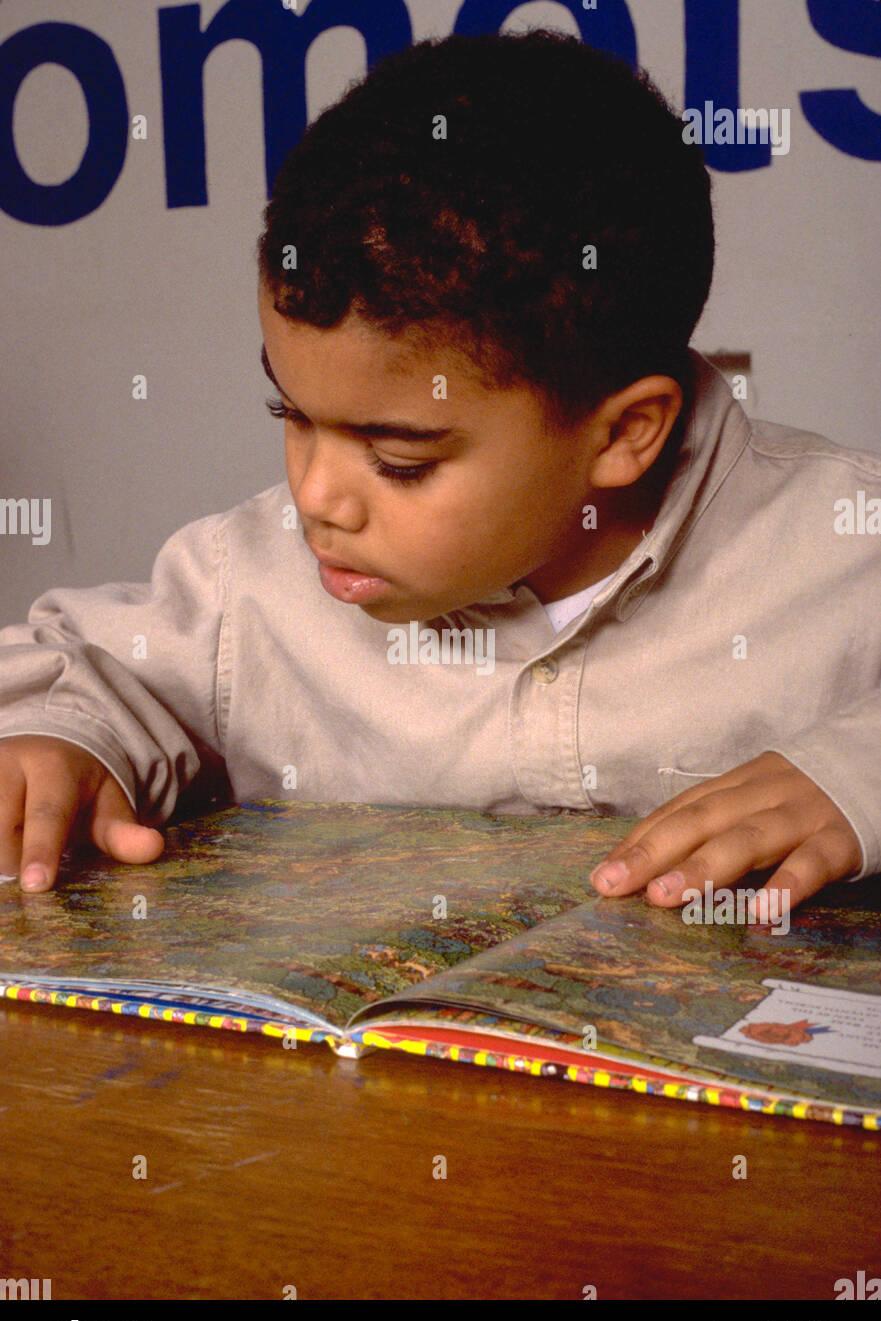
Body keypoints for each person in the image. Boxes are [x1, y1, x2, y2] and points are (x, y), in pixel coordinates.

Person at [0, 30, 877, 921]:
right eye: (292, 416)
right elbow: (78, 663)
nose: (315, 498)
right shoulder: (248, 583)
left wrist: (855, 776)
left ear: (624, 434)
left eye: (399, 461)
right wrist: (60, 741)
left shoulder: (848, 551)